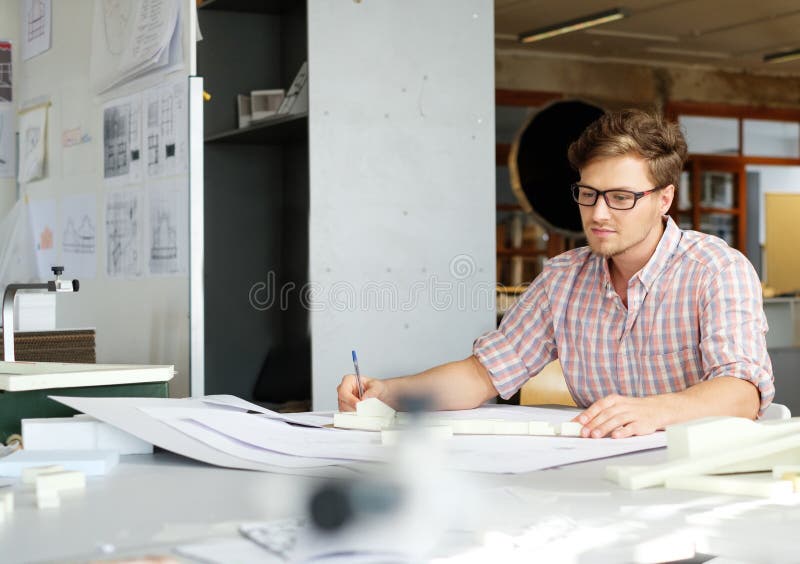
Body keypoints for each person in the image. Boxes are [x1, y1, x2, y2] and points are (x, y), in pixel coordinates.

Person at [337, 109, 774, 438]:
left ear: (663, 199)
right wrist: (386, 392)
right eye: (589, 194)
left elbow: (742, 391)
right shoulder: (564, 278)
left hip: (694, 473)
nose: (598, 214)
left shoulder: (717, 270)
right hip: (598, 471)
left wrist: (656, 411)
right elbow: (482, 375)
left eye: (621, 197)